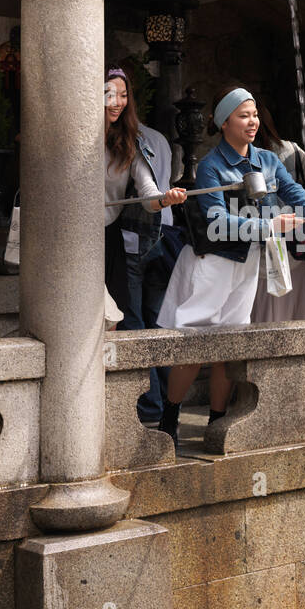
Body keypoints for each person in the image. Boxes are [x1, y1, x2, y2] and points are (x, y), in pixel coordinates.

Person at [157, 85, 305, 443]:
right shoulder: (210, 167)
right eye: (243, 115)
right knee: (194, 344)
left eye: (254, 114)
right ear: (224, 123)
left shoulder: (267, 160)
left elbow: (292, 189)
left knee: (230, 344)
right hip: (212, 263)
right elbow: (216, 218)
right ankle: (168, 420)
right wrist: (271, 225)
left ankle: (217, 423)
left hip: (248, 261)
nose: (252, 122)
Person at [104, 66, 187, 316]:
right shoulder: (77, 139)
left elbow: (147, 192)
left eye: (123, 95)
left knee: (116, 313)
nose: (117, 102)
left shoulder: (130, 143)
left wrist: (165, 199)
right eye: (109, 94)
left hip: (110, 238)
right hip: (75, 238)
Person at [119, 115, 176, 422]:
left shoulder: (124, 140)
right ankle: (169, 399)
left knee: (134, 321)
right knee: (159, 321)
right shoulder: (161, 138)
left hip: (133, 238)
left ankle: (150, 403)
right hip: (164, 235)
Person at [251, 102, 305, 324]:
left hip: (261, 245)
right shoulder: (292, 150)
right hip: (295, 243)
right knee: (294, 308)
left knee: (265, 309)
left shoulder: (248, 158)